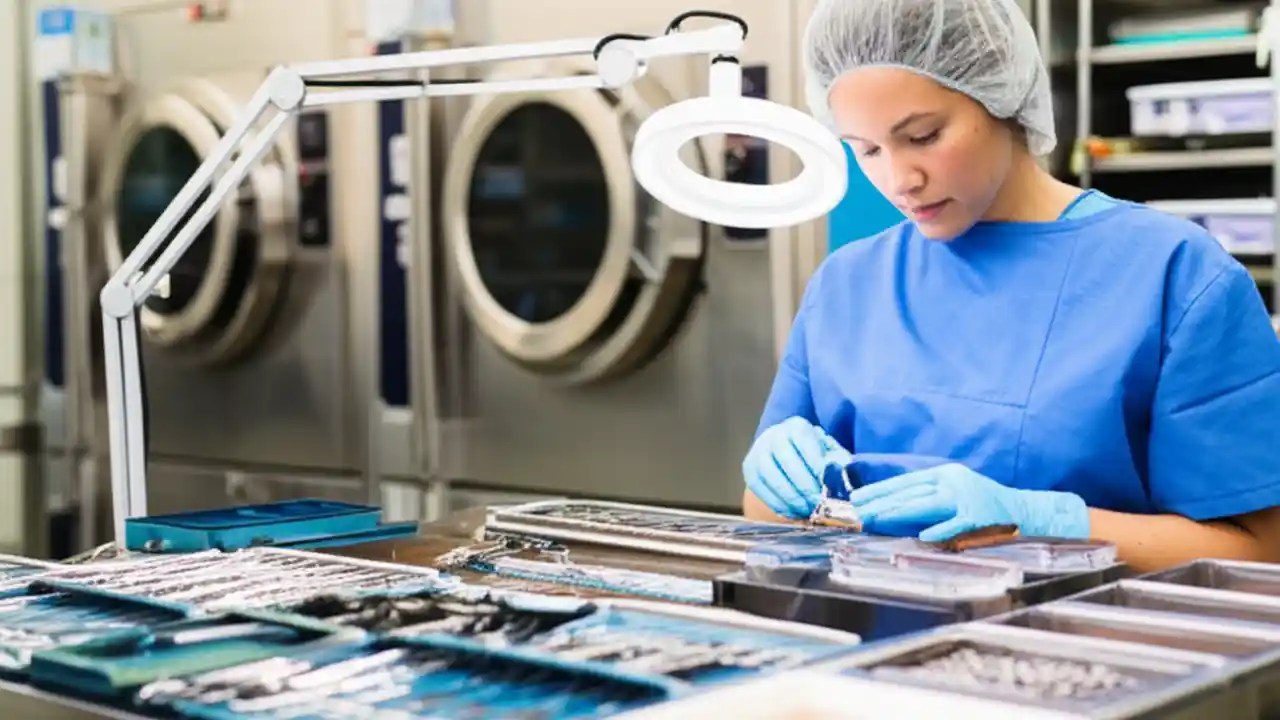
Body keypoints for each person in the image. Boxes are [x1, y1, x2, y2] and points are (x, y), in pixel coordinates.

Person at [742, 0, 1280, 572]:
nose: (899, 180)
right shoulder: (849, 282)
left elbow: (1261, 552)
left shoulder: (1173, 273)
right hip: (862, 640)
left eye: (923, 136)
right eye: (867, 149)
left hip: (1080, 646)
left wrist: (1043, 521)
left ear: (1000, 93)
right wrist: (780, 483)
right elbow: (762, 514)